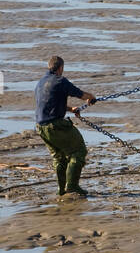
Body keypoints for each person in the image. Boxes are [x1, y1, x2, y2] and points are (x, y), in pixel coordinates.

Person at [34, 55, 97, 198]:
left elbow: (48, 103)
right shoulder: (60, 80)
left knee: (59, 158)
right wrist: (91, 97)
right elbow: (80, 94)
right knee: (79, 150)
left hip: (41, 127)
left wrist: (71, 109)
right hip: (56, 126)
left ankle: (61, 189)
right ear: (61, 68)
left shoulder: (41, 82)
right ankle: (72, 186)